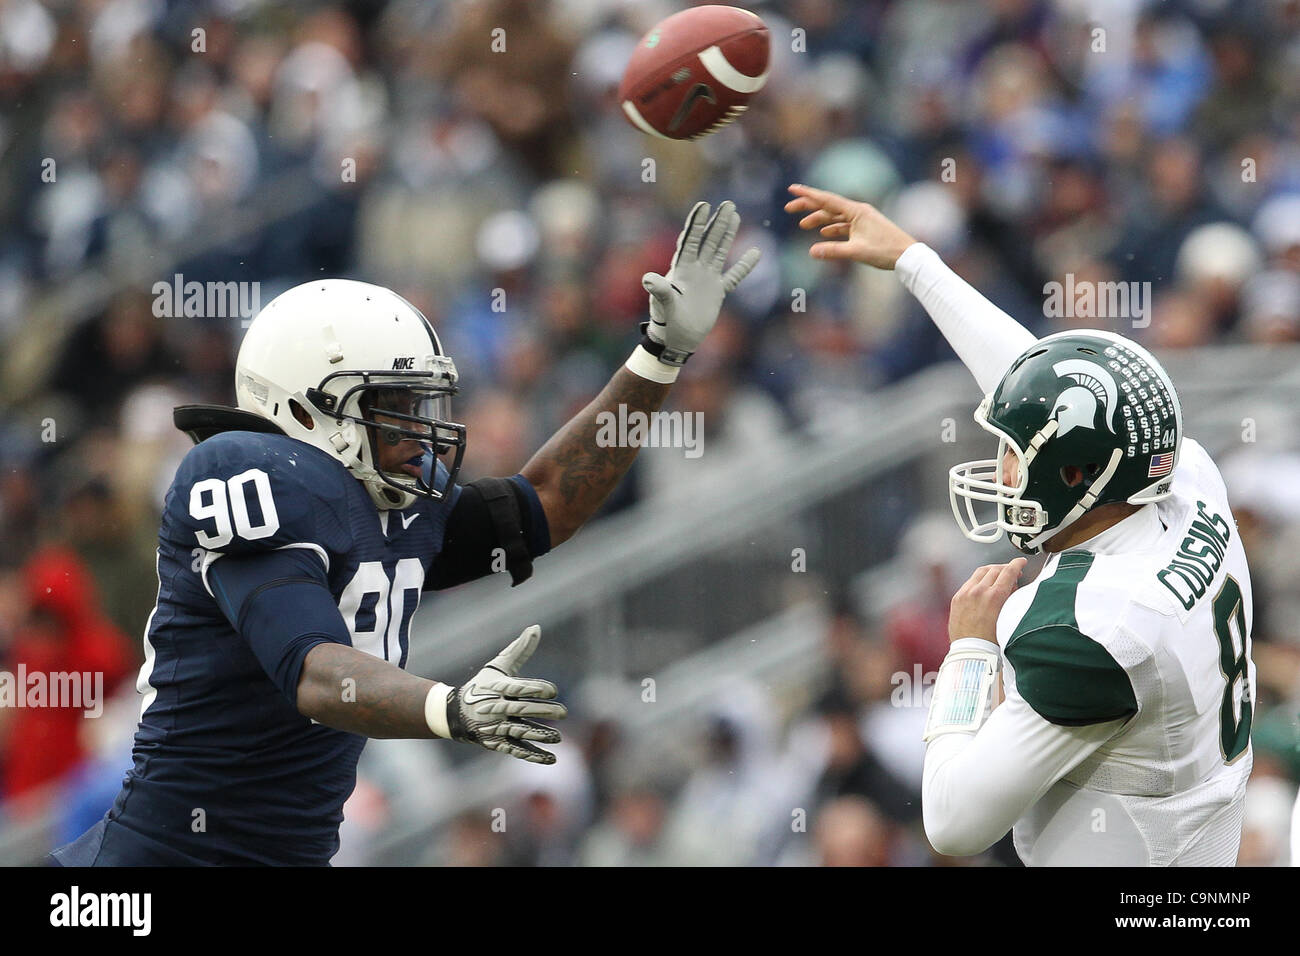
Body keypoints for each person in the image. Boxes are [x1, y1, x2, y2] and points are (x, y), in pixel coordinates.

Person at [51, 201, 759, 866]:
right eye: (391, 405)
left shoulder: (396, 507)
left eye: (421, 401)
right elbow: (313, 670)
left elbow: (545, 503)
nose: (417, 433)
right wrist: (446, 707)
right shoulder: (243, 470)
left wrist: (659, 357)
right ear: (303, 411)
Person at [786, 184, 1255, 866]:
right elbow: (1045, 384)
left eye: (1013, 454)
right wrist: (915, 262)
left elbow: (950, 823)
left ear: (1074, 477)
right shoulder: (1185, 478)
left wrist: (970, 651)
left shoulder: (1092, 623)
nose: (1002, 469)